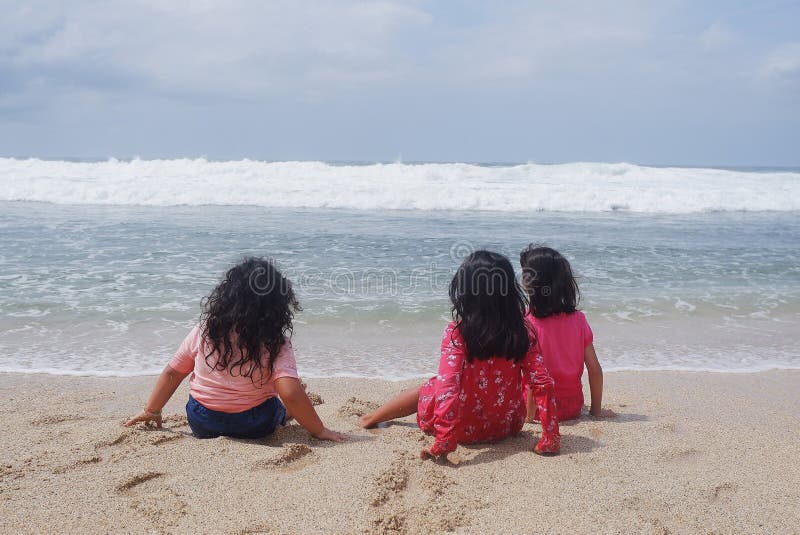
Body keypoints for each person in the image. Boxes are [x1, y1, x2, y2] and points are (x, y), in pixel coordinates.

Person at [359, 250, 560, 457]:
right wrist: (550, 437)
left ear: (466, 291)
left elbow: (447, 387)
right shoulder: (523, 332)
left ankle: (371, 418)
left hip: (462, 430)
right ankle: (372, 417)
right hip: (505, 426)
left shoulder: (458, 333)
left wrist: (445, 439)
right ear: (509, 291)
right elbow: (542, 383)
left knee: (432, 385)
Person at [125, 257, 344, 442]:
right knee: (281, 405)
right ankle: (286, 413)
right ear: (278, 305)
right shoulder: (275, 341)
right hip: (254, 424)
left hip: (202, 421)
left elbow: (173, 373)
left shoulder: (206, 330)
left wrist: (151, 410)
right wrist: (320, 431)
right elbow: (290, 393)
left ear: (227, 296)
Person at [519, 245, 603, 421]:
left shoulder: (526, 320)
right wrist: (596, 411)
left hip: (537, 409)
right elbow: (594, 369)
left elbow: (528, 370)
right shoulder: (579, 319)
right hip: (572, 407)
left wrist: (528, 417)